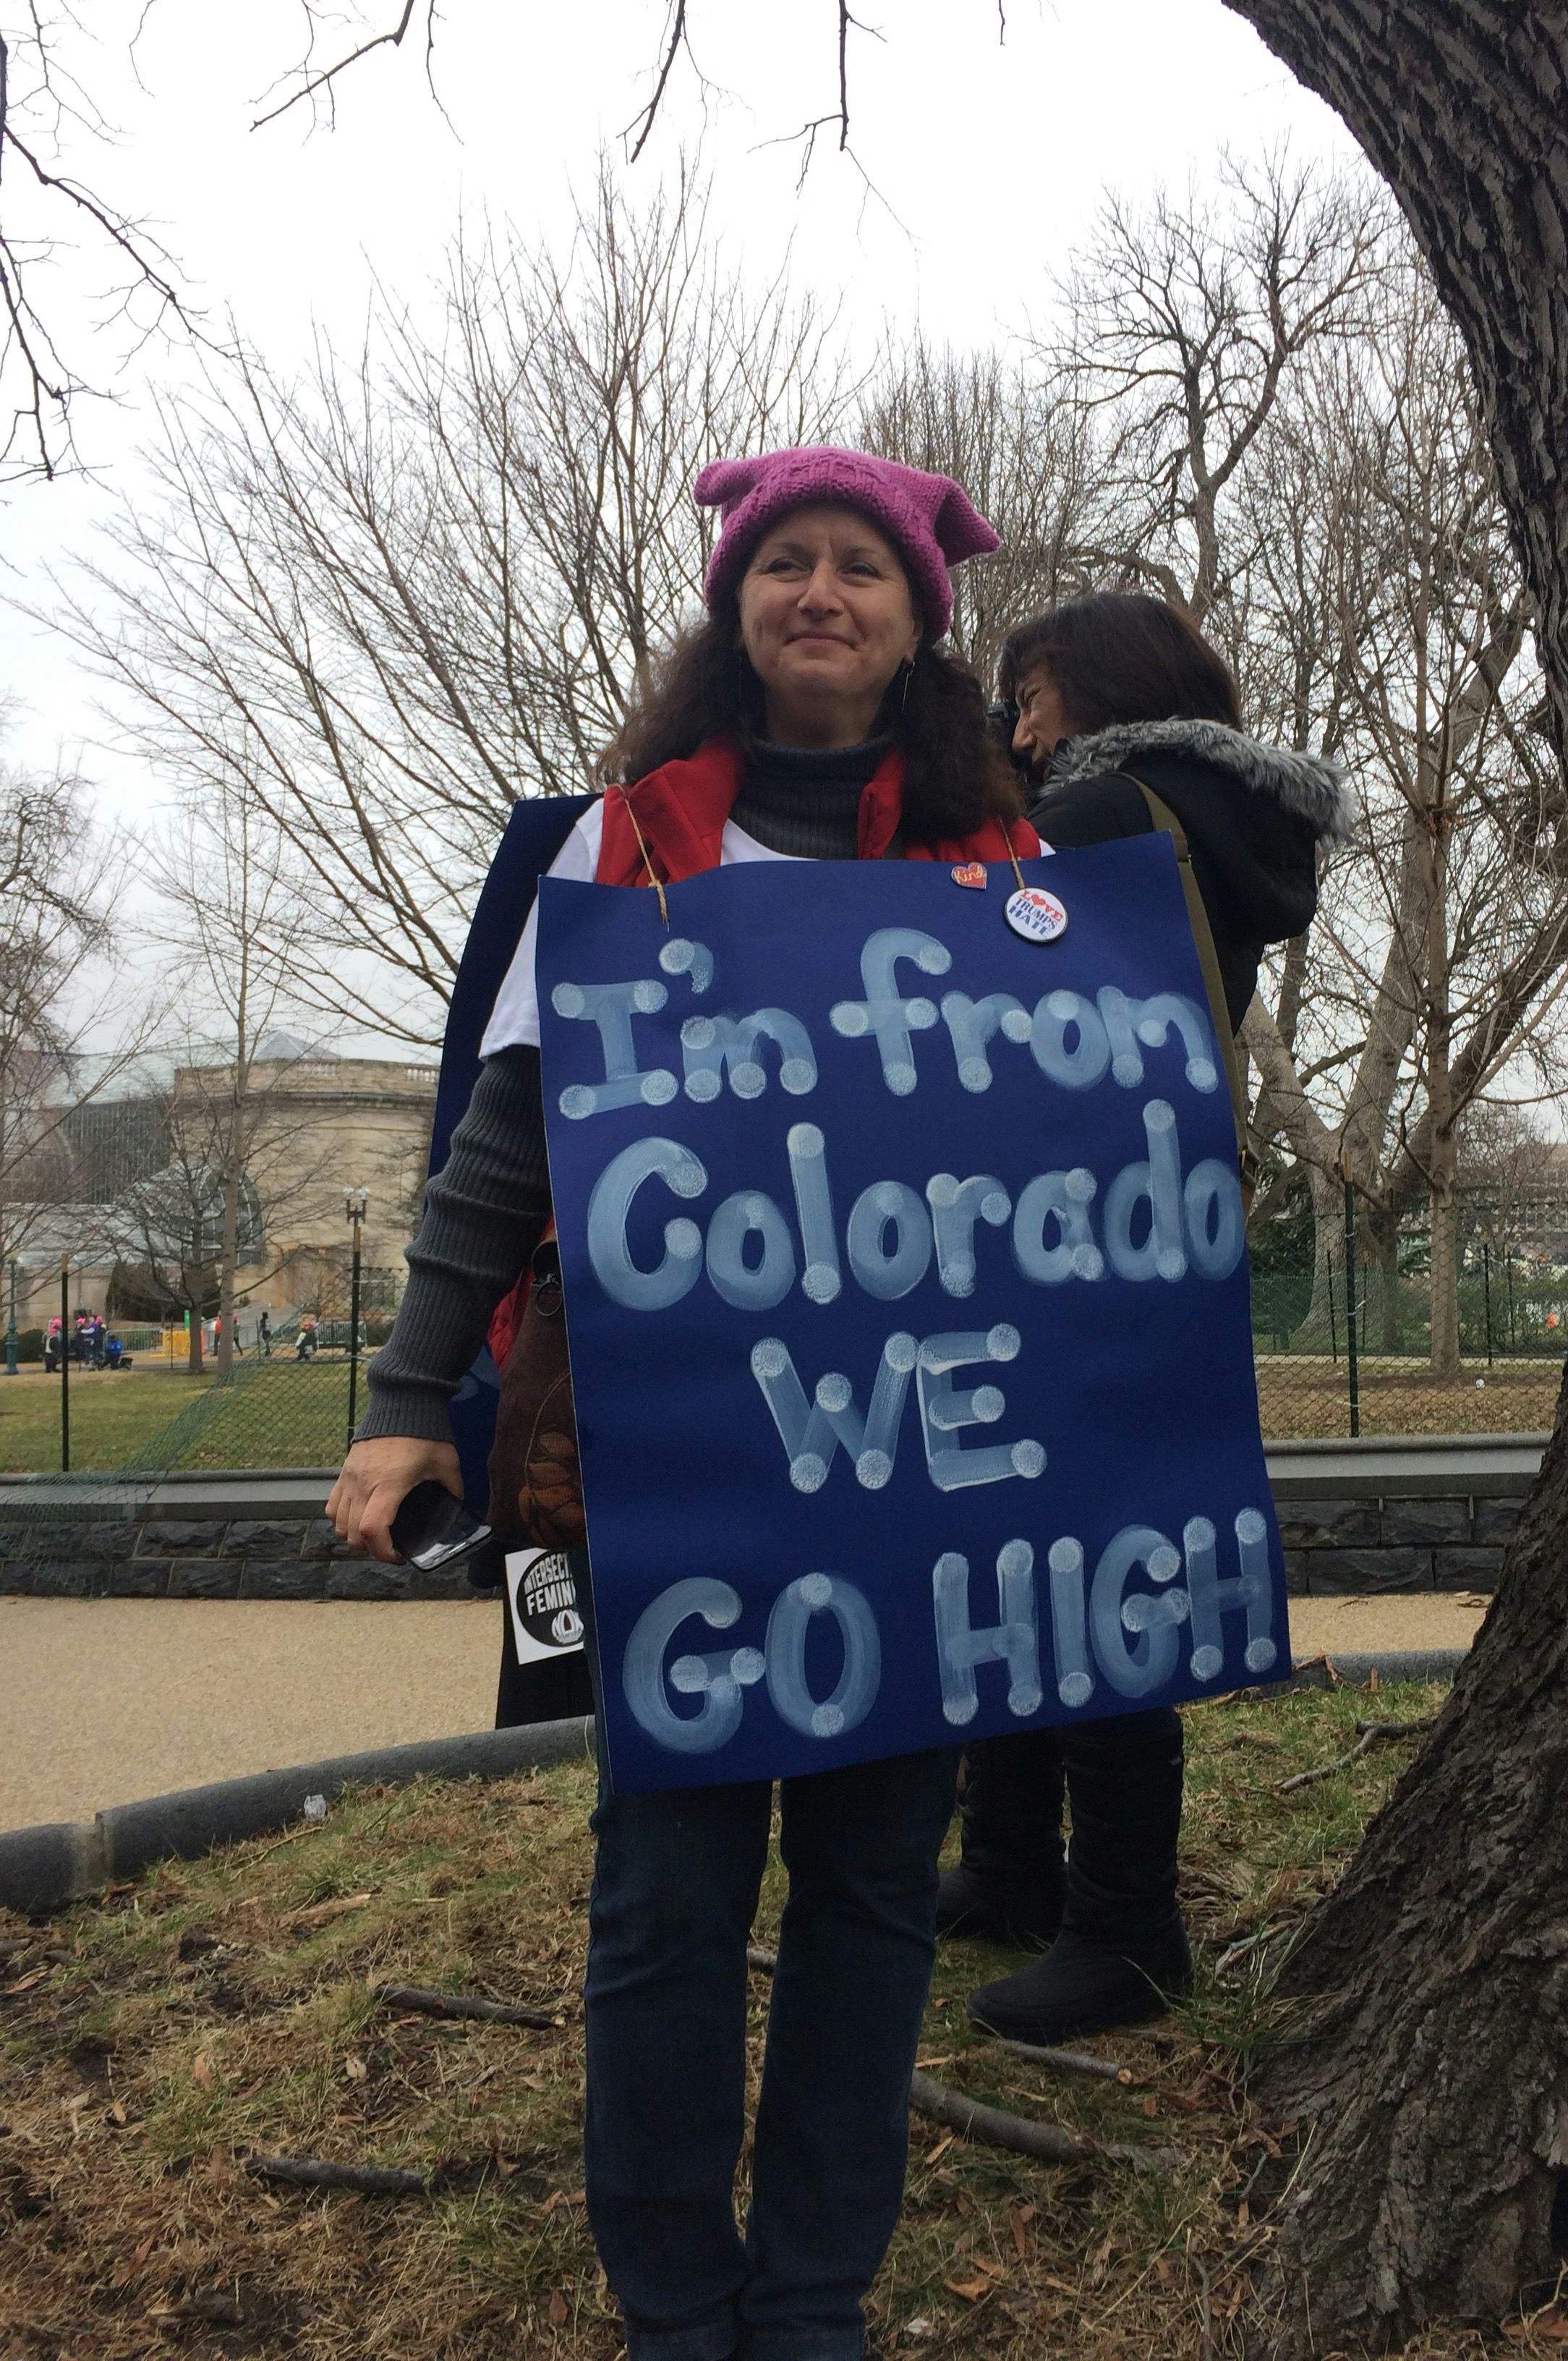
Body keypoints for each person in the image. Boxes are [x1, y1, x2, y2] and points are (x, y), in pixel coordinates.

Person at [325, 446, 1039, 2361]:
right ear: (734, 608)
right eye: (784, 564)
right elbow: (504, 1144)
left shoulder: (1003, 868)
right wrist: (408, 1402)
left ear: (919, 620)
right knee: (667, 1894)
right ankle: (674, 2305)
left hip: (918, 1471)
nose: (822, 592)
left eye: (860, 570)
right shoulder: (626, 846)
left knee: (879, 1891)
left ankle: (813, 2301)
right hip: (671, 1465)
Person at [934, 589, 1350, 2047]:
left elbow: (990, 995)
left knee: (1058, 1549)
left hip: (1058, 1228)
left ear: (1093, 692)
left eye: (1030, 690)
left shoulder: (1102, 811)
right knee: (1071, 1537)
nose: (1020, 720)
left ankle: (1119, 1920)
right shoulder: (1204, 818)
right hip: (1143, 1221)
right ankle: (1012, 1867)